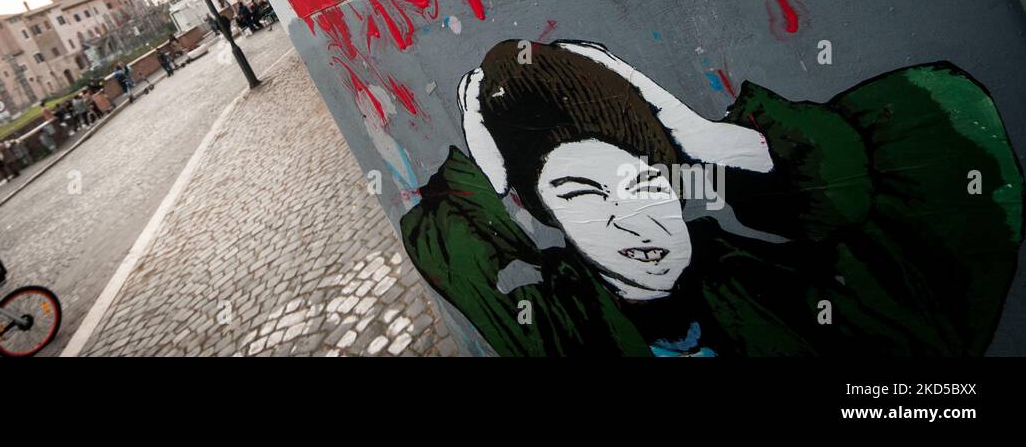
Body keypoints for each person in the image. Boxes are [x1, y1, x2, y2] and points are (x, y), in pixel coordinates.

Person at [401, 39, 1023, 356]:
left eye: (642, 182)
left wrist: (704, 133)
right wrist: (490, 158)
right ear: (546, 215)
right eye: (579, 194)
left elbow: (948, 140)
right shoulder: (563, 323)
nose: (630, 220)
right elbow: (450, 249)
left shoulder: (757, 277)